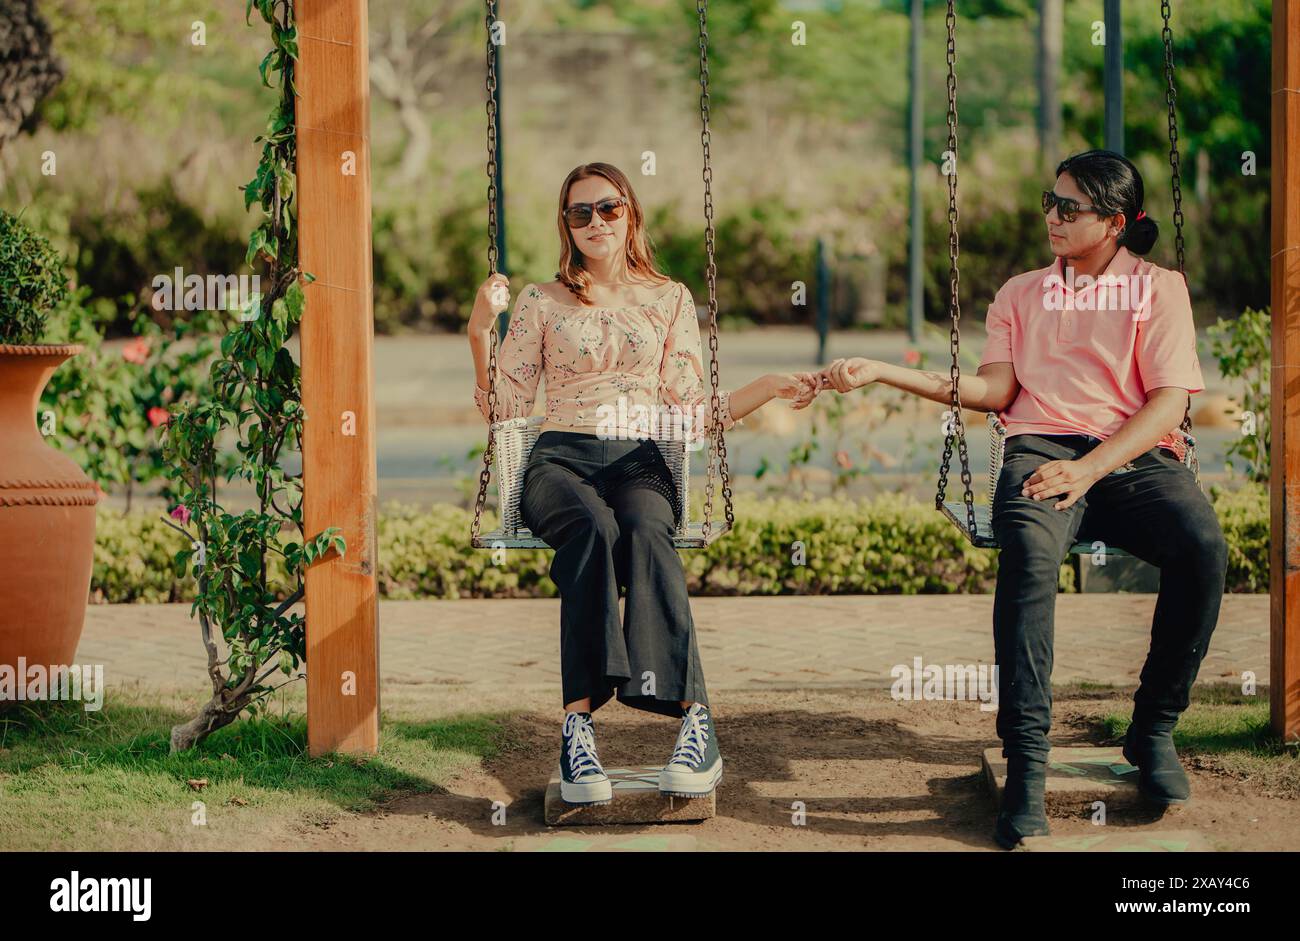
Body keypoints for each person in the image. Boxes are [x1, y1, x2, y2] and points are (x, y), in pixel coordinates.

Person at [813, 150, 1227, 848]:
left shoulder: (1160, 289)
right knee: (1031, 559)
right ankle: (1026, 764)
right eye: (1049, 202)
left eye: (1070, 208)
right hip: (1039, 450)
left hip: (1130, 454)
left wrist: (1091, 468)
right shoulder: (1021, 293)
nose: (1052, 218)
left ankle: (1152, 731)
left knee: (1203, 549)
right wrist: (885, 371)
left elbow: (1168, 404)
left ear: (1115, 223)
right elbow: (995, 394)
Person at [468, 161, 820, 805]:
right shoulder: (540, 301)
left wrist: (765, 387)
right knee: (591, 528)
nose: (595, 222)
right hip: (559, 458)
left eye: (607, 208)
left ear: (630, 212)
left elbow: (687, 409)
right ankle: (579, 729)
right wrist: (478, 330)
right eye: (580, 213)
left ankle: (692, 722)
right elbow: (506, 408)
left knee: (647, 528)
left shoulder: (670, 298)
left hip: (639, 454)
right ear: (566, 226)